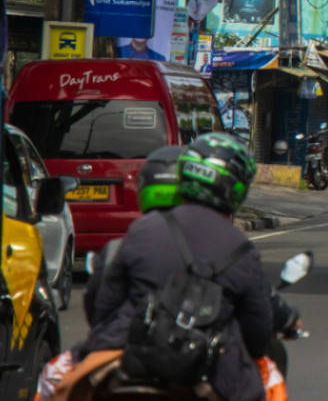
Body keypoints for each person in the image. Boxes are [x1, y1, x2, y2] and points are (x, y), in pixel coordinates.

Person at [78, 134, 272, 401]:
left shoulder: (141, 230)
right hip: (210, 374)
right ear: (236, 188)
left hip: (128, 367)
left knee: (58, 382)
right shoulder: (240, 248)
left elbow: (103, 310)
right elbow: (258, 336)